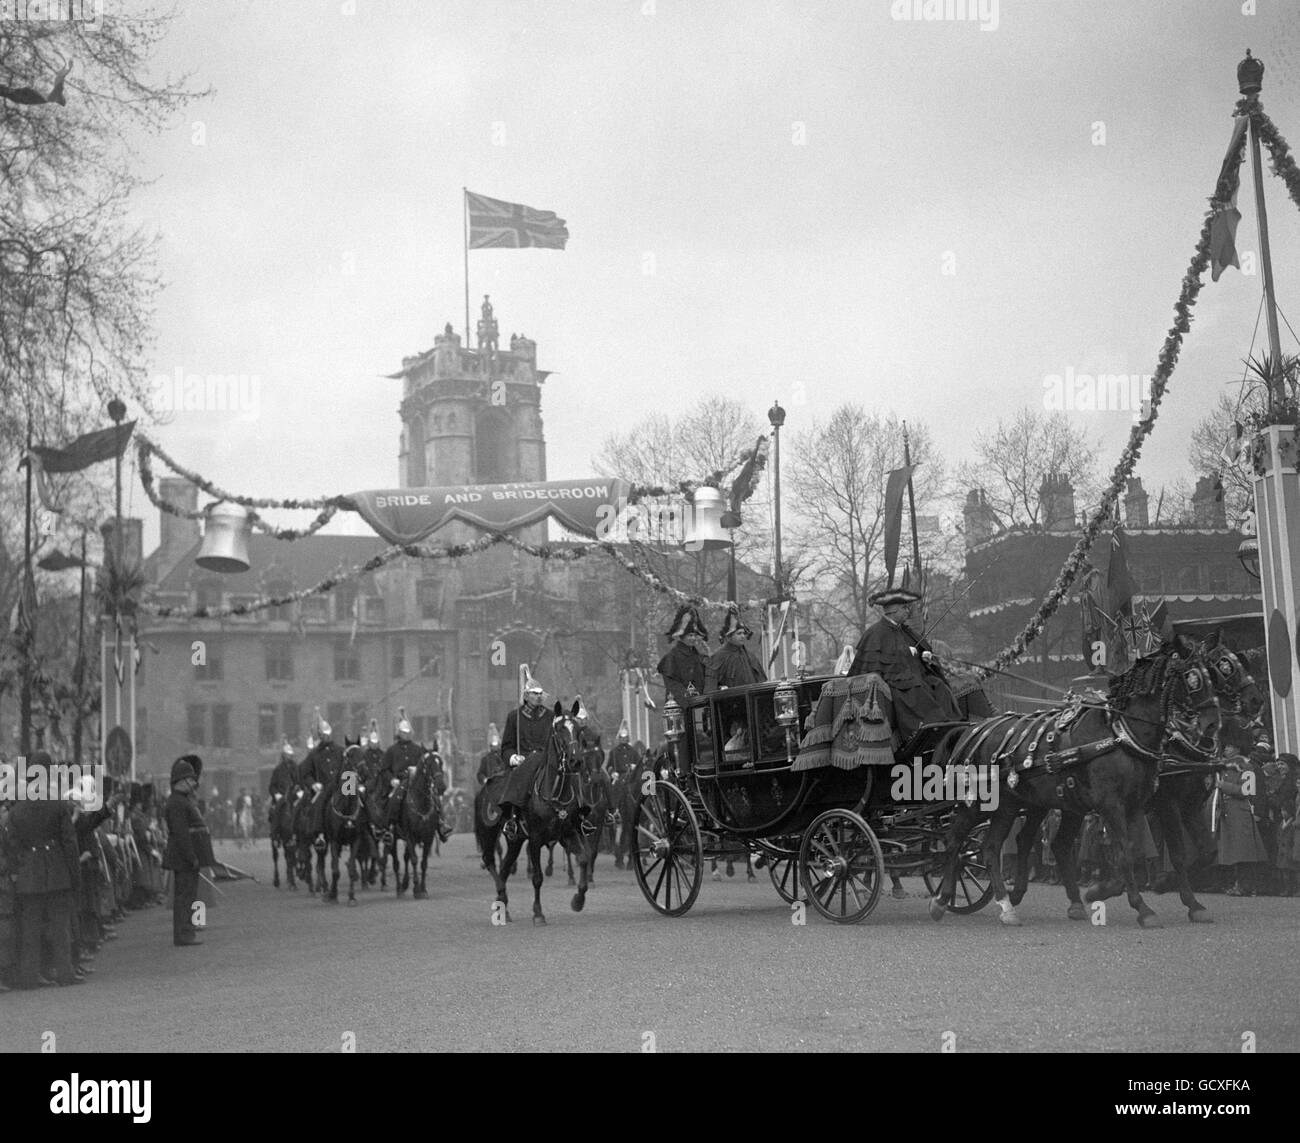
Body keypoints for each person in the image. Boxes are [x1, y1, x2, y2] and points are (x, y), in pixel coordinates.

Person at [847, 588, 961, 745]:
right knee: (918, 689)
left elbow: (917, 652)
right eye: (904, 608)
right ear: (893, 611)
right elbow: (882, 667)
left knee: (939, 684)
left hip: (915, 678)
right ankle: (925, 731)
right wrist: (906, 653)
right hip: (896, 683)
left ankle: (949, 725)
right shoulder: (875, 633)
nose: (908, 611)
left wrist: (924, 655)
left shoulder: (905, 630)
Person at [7, 752, 83, 986]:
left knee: (30, 928)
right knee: (60, 926)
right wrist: (74, 874)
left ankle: (29, 976)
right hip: (56, 870)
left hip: (28, 872)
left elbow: (12, 846)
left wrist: (17, 871)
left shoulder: (16, 810)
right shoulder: (58, 805)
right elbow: (70, 843)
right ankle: (64, 973)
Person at [497, 679, 556, 842]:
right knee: (514, 778)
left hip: (545, 759)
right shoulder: (514, 717)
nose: (538, 697)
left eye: (540, 694)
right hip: (523, 762)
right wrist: (513, 757)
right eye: (534, 693)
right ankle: (512, 820)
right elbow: (506, 746)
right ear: (526, 696)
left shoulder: (551, 716)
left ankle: (575, 817)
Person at [163, 757, 208, 947]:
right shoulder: (177, 803)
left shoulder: (181, 801)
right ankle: (183, 934)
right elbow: (181, 834)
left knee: (188, 895)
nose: (193, 783)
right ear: (180, 781)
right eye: (190, 780)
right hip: (183, 857)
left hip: (186, 856)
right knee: (184, 897)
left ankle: (187, 930)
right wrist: (192, 856)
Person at [299, 712, 345, 847]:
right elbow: (305, 773)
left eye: (329, 733)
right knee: (318, 804)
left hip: (340, 787)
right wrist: (313, 784)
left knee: (357, 800)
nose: (327, 736)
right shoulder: (314, 754)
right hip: (324, 787)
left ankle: (368, 827)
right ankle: (320, 834)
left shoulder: (340, 751)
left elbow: (348, 770)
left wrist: (350, 787)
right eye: (324, 734)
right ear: (320, 735)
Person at [376, 709, 423, 841]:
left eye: (408, 733)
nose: (406, 735)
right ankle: (389, 827)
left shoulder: (417, 749)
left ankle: (438, 824)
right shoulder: (392, 750)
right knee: (394, 800)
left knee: (431, 797)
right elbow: (384, 770)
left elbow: (423, 767)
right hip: (398, 782)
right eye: (404, 733)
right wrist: (391, 780)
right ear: (399, 733)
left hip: (415, 782)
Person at [705, 605, 766, 691]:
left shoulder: (751, 656)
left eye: (743, 633)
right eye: (739, 633)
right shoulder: (718, 657)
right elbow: (710, 688)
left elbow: (761, 682)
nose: (742, 636)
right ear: (729, 636)